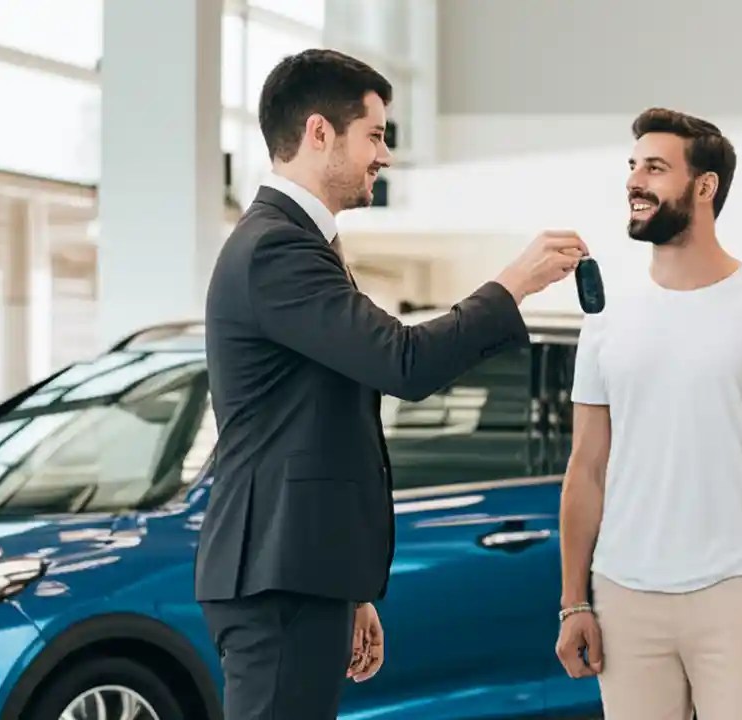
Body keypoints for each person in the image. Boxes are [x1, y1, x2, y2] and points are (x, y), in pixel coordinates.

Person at [195, 49, 588, 720]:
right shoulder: (277, 248)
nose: (386, 156)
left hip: (297, 572)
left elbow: (319, 419)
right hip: (276, 575)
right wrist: (514, 283)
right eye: (375, 135)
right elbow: (403, 362)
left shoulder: (297, 244)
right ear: (320, 132)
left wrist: (347, 588)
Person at [553, 107, 742, 720]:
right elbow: (586, 468)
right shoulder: (606, 320)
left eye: (655, 167)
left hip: (740, 592)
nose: (634, 181)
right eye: (632, 166)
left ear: (705, 186)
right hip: (624, 596)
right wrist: (575, 601)